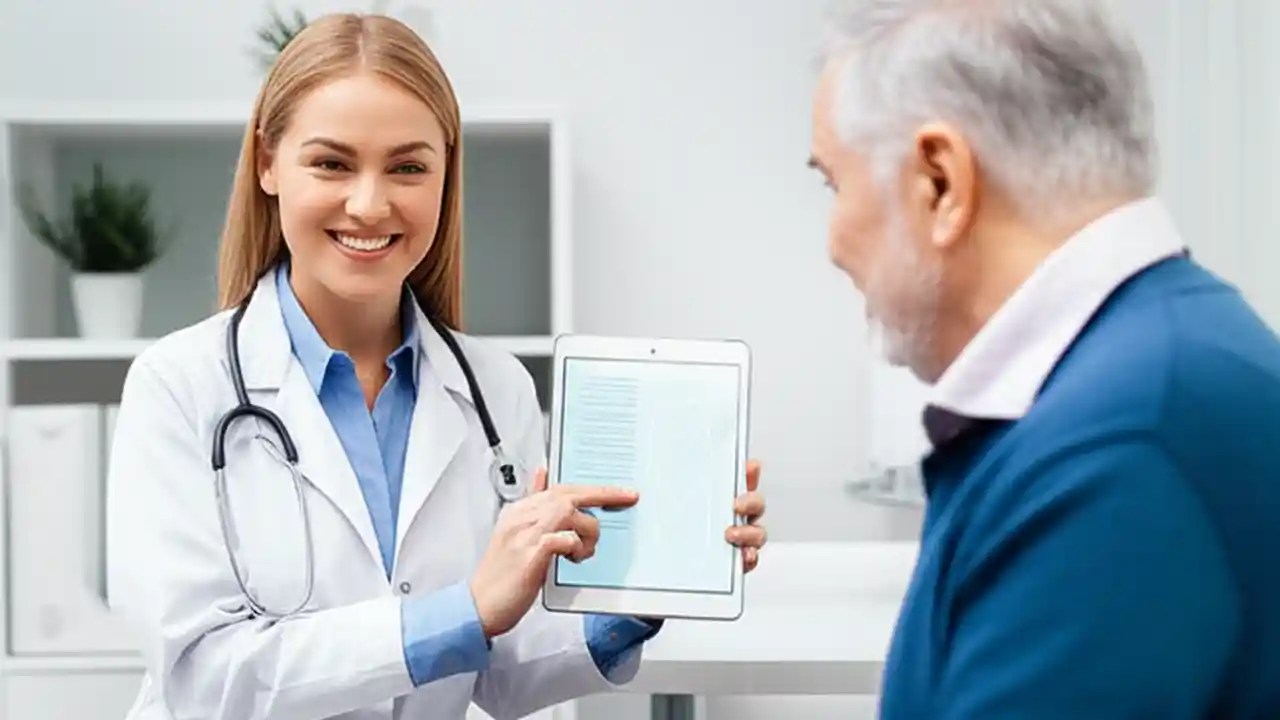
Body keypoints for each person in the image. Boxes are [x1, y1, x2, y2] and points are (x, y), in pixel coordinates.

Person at [104, 13, 767, 720]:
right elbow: (206, 679)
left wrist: (644, 587)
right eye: (331, 163)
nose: (369, 203)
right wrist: (465, 610)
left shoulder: (495, 388)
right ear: (268, 162)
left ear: (446, 174)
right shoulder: (179, 386)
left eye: (408, 167)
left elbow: (502, 673)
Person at [808, 0, 1280, 717]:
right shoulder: (1166, 368)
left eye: (834, 184)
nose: (833, 244)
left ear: (940, 181)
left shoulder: (1116, 455)